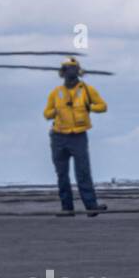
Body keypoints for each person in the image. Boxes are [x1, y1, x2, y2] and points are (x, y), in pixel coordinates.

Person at [43, 57, 107, 217]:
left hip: (78, 136)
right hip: (58, 137)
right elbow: (46, 113)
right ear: (62, 73)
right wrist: (56, 111)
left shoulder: (87, 90)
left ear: (78, 71)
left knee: (83, 173)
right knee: (62, 174)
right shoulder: (56, 93)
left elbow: (103, 106)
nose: (69, 73)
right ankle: (67, 208)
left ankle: (91, 207)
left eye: (72, 69)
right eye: (66, 69)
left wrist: (88, 106)